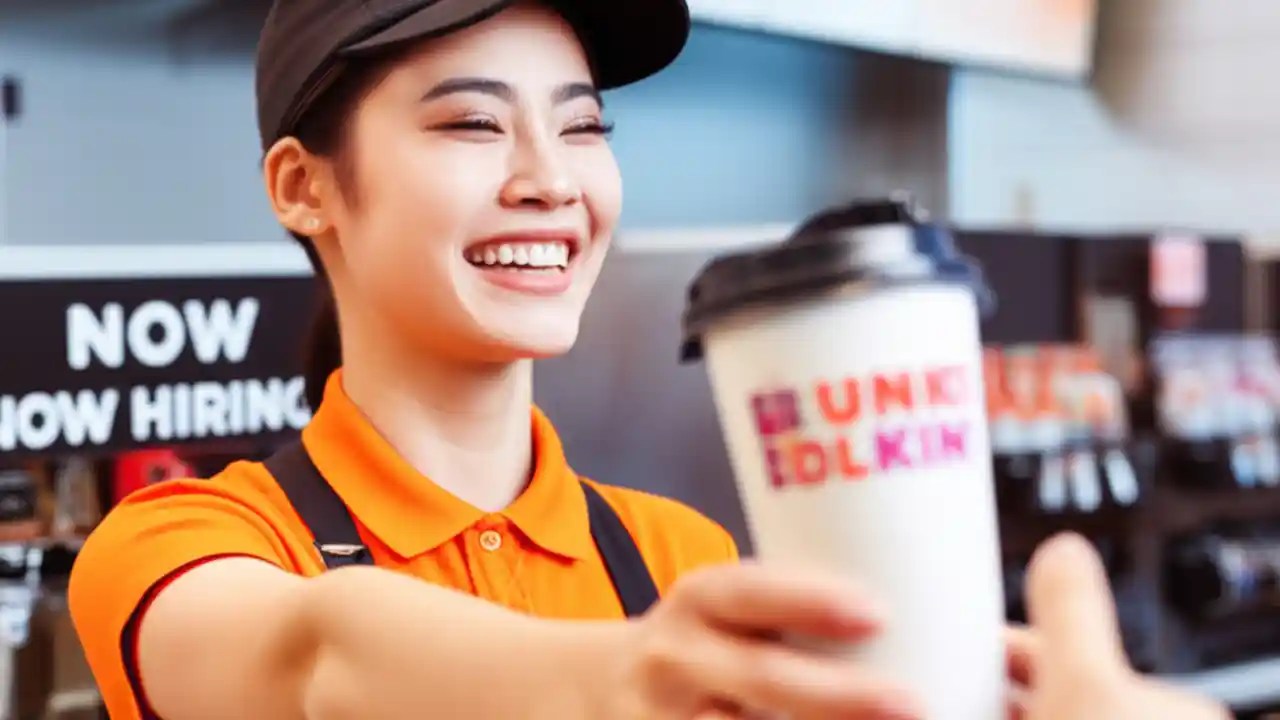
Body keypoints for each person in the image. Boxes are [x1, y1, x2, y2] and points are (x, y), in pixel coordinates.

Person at [66, 1, 1232, 718]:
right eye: (472, 123)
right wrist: (615, 681)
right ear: (301, 186)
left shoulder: (682, 562)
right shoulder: (183, 546)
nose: (550, 179)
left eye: (581, 125)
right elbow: (317, 661)